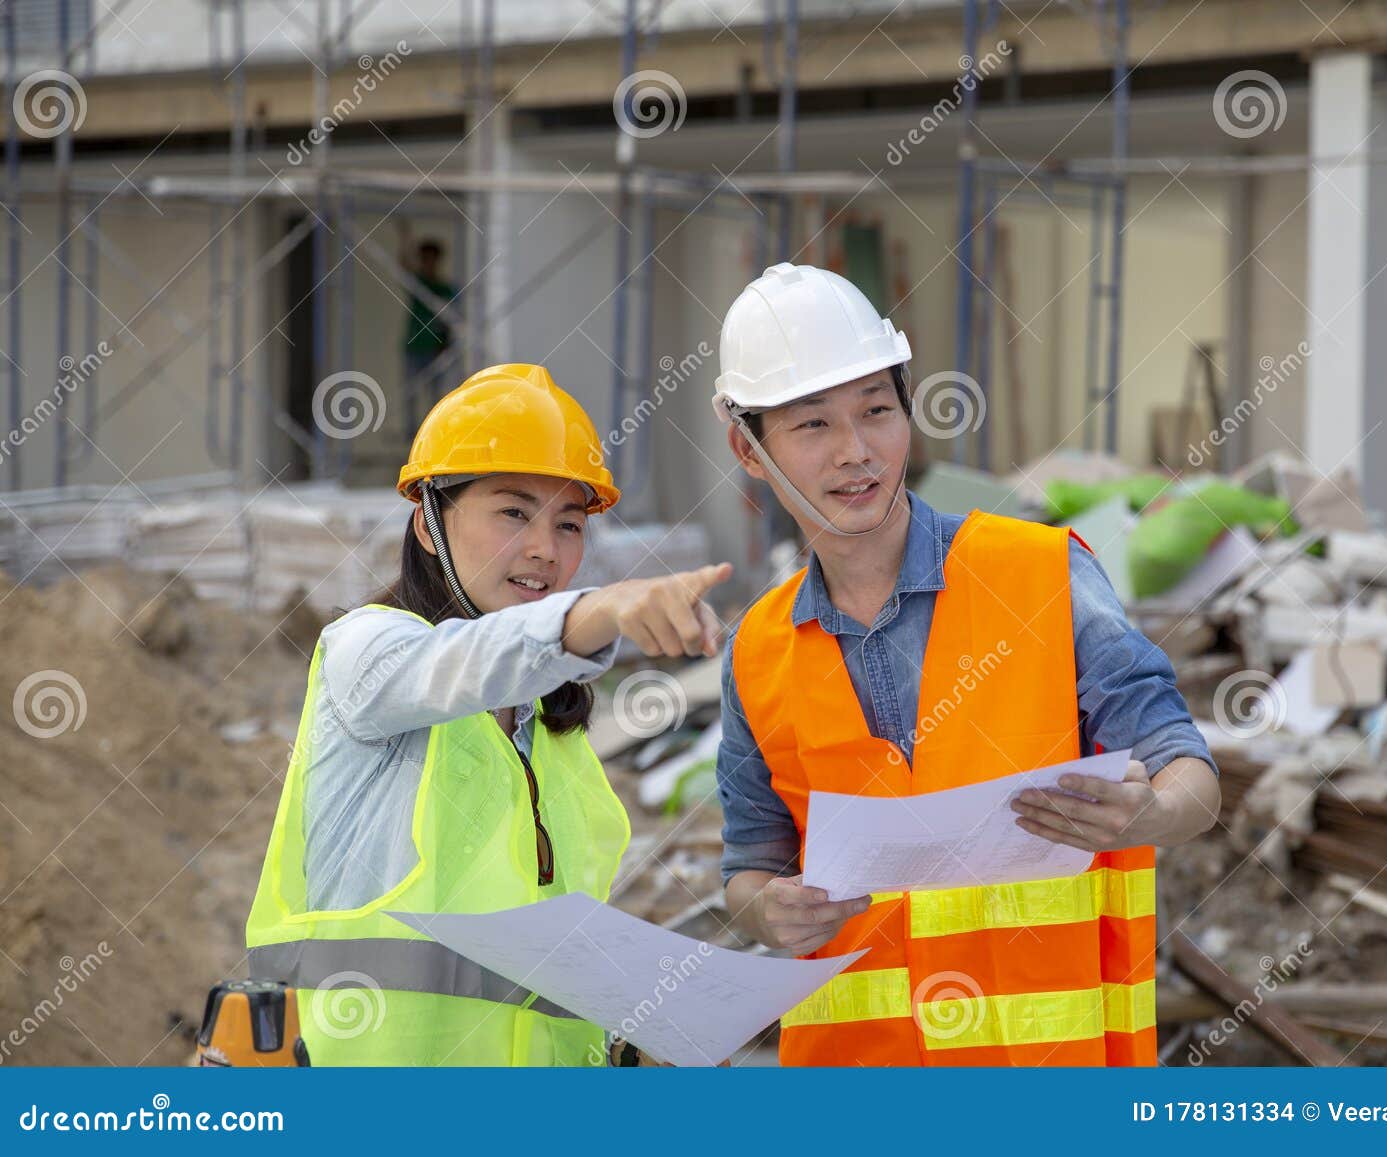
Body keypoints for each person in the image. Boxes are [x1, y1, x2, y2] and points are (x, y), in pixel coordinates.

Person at [712, 263, 1222, 1066]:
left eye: (877, 410)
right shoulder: (757, 649)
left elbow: (1189, 773)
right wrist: (764, 913)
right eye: (812, 425)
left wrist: (1150, 813)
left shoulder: (1040, 575)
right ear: (749, 447)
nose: (856, 451)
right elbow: (750, 866)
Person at [246, 363, 731, 1066]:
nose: (545, 549)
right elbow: (463, 662)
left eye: (569, 524)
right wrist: (599, 611)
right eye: (513, 512)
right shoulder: (369, 654)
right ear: (428, 522)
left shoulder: (547, 726)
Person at [398, 221, 458, 417]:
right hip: (414, 347)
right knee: (409, 396)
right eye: (425, 260)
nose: (428, 264)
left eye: (432, 260)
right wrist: (405, 235)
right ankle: (411, 432)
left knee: (436, 398)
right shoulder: (418, 283)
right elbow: (403, 266)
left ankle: (434, 429)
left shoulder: (445, 288)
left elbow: (451, 321)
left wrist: (446, 343)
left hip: (435, 350)